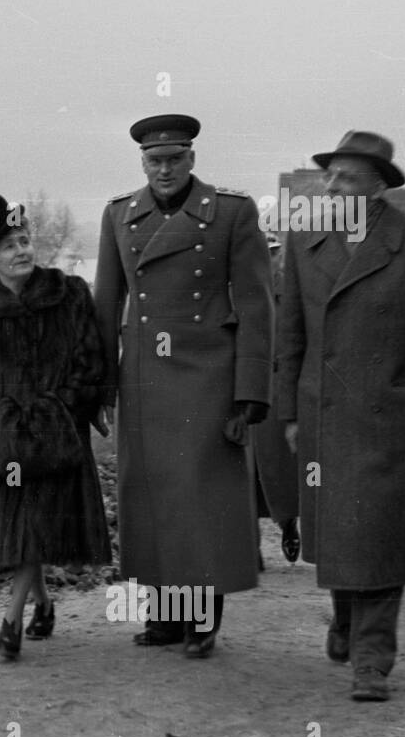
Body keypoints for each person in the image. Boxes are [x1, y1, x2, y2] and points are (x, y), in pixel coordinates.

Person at [276, 130, 405, 702]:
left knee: (380, 536)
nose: (333, 186)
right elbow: (291, 338)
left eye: (348, 178)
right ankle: (345, 619)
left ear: (379, 187)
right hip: (323, 412)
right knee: (339, 534)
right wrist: (288, 409)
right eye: (329, 175)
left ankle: (372, 660)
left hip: (392, 414)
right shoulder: (304, 241)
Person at [93, 114, 273, 658]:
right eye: (155, 161)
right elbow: (106, 305)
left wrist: (250, 393)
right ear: (142, 163)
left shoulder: (232, 213)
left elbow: (256, 306)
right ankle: (164, 616)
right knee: (151, 497)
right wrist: (101, 386)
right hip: (144, 378)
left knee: (201, 497)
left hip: (209, 377)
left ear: (192, 158)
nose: (165, 170)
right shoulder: (119, 216)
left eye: (174, 159)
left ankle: (203, 619)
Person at [0, 194, 111, 660]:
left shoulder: (69, 295)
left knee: (32, 527)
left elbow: (90, 362)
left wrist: (58, 409)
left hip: (56, 435)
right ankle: (44, 604)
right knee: (20, 532)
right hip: (2, 442)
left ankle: (10, 621)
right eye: (9, 245)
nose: (21, 250)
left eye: (24, 240)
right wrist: (0, 420)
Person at [253, 233, 302, 566]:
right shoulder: (237, 291)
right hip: (244, 389)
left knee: (281, 468)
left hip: (281, 388)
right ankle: (249, 545)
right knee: (245, 473)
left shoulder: (293, 293)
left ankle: (288, 523)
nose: (266, 260)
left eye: (271, 253)